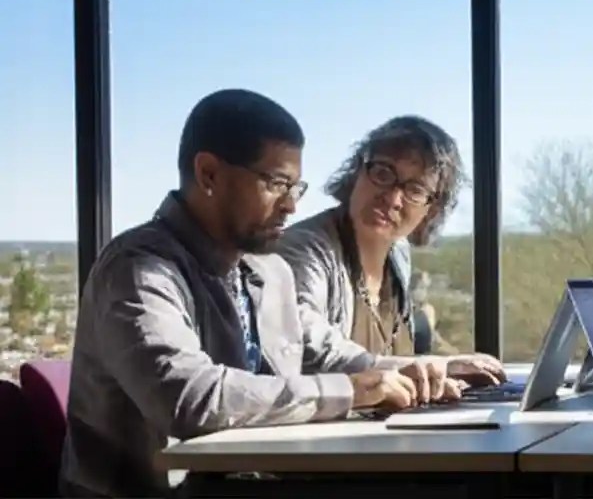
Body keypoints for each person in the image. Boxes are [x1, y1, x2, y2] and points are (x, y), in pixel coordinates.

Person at [60, 90, 461, 498]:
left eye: (295, 188)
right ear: (209, 174)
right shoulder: (139, 268)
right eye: (276, 184)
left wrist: (410, 371)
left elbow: (320, 350)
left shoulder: (266, 269)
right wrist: (354, 389)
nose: (290, 206)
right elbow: (190, 399)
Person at [277, 115, 506, 387]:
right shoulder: (305, 248)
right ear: (357, 173)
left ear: (431, 210)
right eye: (383, 174)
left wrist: (445, 370)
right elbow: (301, 343)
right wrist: (423, 367)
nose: (393, 198)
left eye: (416, 190)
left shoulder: (398, 252)